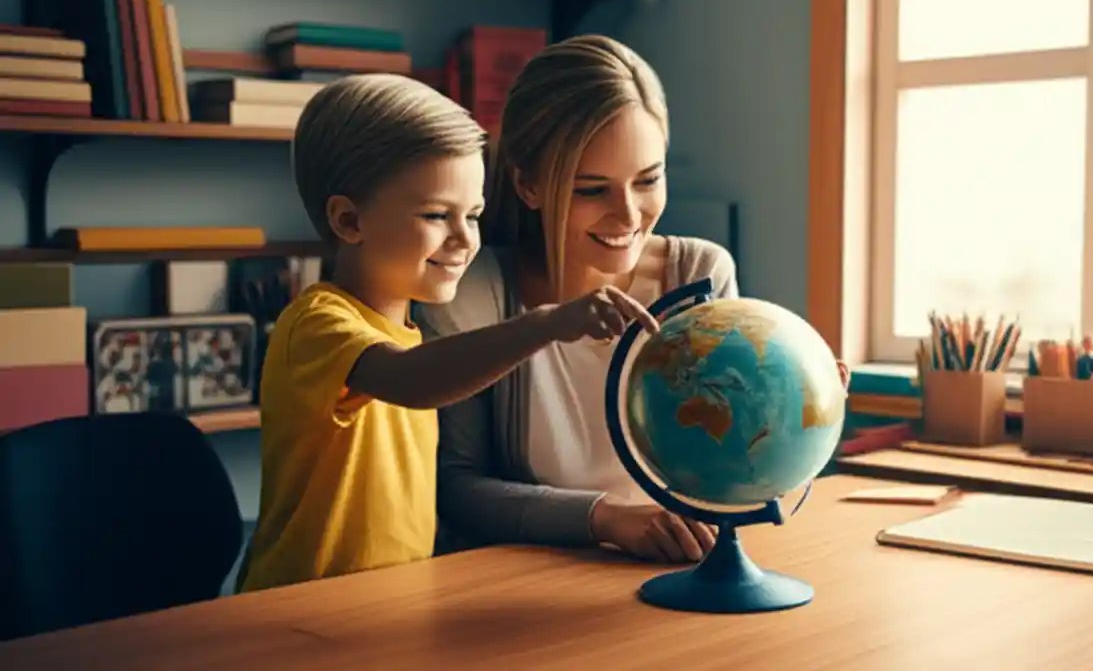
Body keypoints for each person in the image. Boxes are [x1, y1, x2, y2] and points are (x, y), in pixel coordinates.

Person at [236, 73, 659, 593]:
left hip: (386, 614)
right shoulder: (318, 324)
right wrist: (547, 321)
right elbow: (410, 380)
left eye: (474, 215)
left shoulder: (410, 329)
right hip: (298, 615)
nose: (464, 240)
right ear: (348, 221)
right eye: (437, 215)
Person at [417, 35, 742, 564]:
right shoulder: (472, 293)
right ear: (528, 185)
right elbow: (455, 489)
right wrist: (606, 519)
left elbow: (730, 455)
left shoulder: (700, 275)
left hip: (676, 575)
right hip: (521, 593)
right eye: (592, 189)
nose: (630, 215)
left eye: (648, 180)